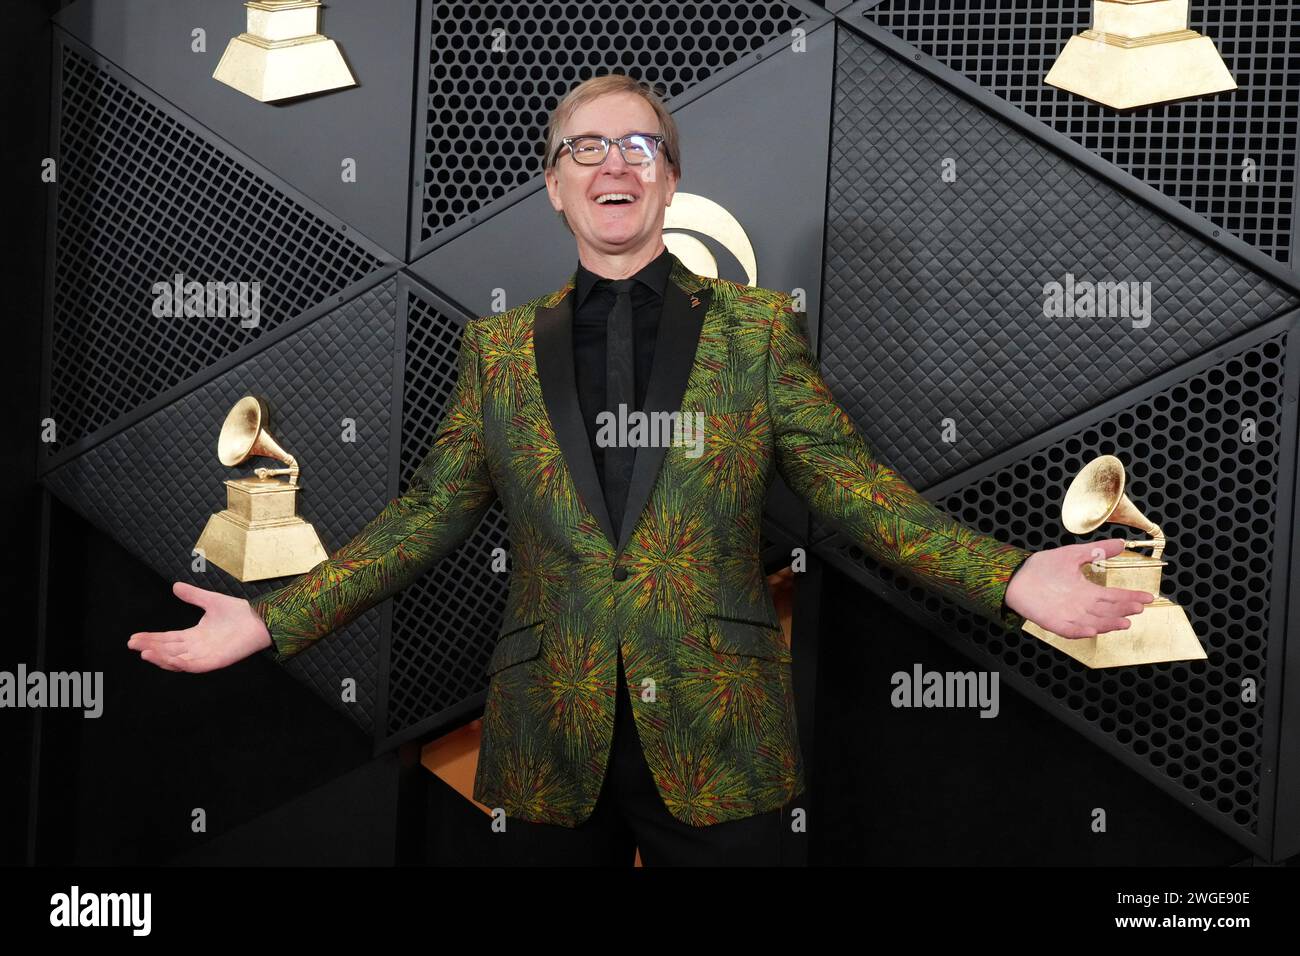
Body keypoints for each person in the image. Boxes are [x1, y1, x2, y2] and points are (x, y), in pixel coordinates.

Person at [128, 73, 1155, 865]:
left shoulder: (754, 331)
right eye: (585, 147)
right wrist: (271, 618)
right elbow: (424, 518)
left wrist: (1010, 573)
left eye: (637, 144)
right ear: (554, 184)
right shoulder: (494, 352)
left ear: (666, 175)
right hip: (545, 739)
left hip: (721, 732)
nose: (612, 164)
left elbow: (851, 486)